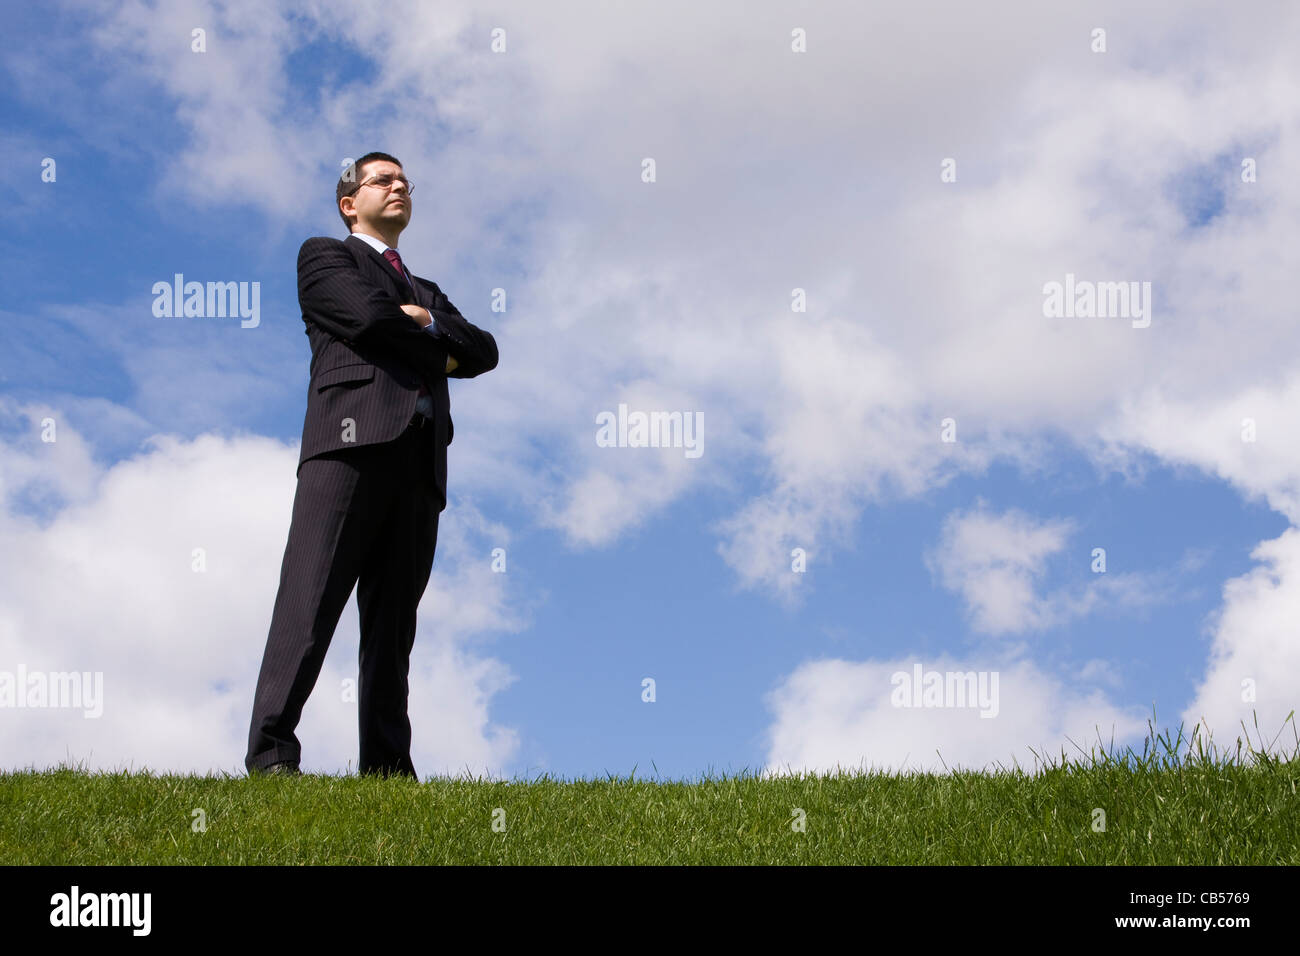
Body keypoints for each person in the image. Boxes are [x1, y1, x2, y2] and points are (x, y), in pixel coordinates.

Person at [245, 151, 498, 778]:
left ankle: (387, 770)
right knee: (310, 601)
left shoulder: (429, 291)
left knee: (393, 628)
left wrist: (430, 321)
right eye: (382, 180)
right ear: (348, 202)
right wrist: (438, 348)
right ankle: (273, 751)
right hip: (346, 450)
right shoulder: (324, 257)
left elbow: (486, 351)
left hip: (419, 462)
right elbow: (368, 318)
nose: (399, 187)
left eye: (405, 181)